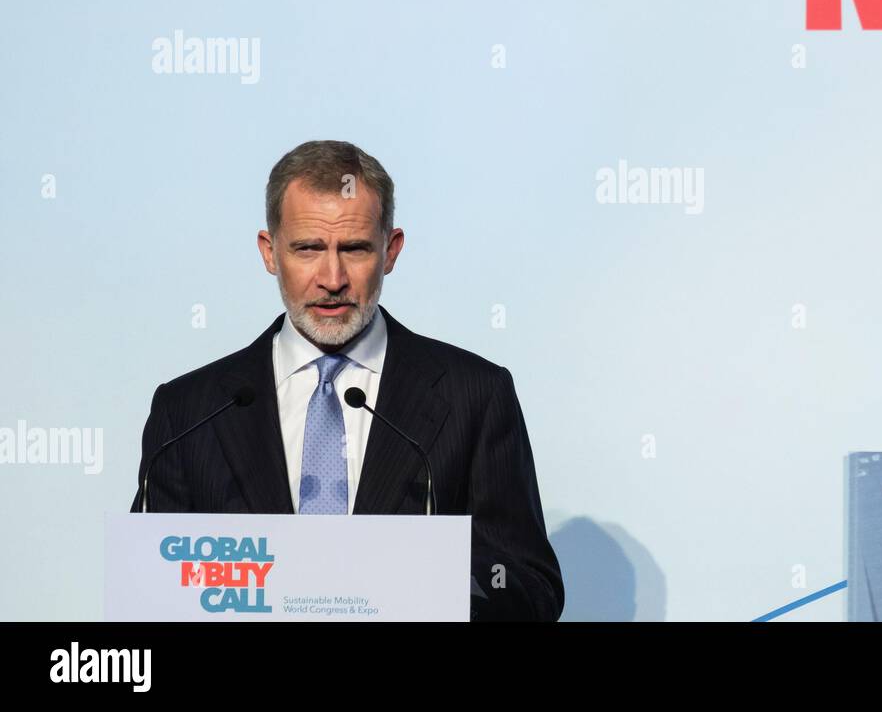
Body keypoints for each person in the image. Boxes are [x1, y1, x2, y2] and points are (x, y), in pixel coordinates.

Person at [129, 140, 563, 621]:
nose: (332, 277)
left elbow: (529, 587)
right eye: (308, 248)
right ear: (270, 252)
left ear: (390, 251)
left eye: (354, 249)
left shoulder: (475, 395)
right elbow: (151, 594)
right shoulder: (190, 412)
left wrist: (422, 581)